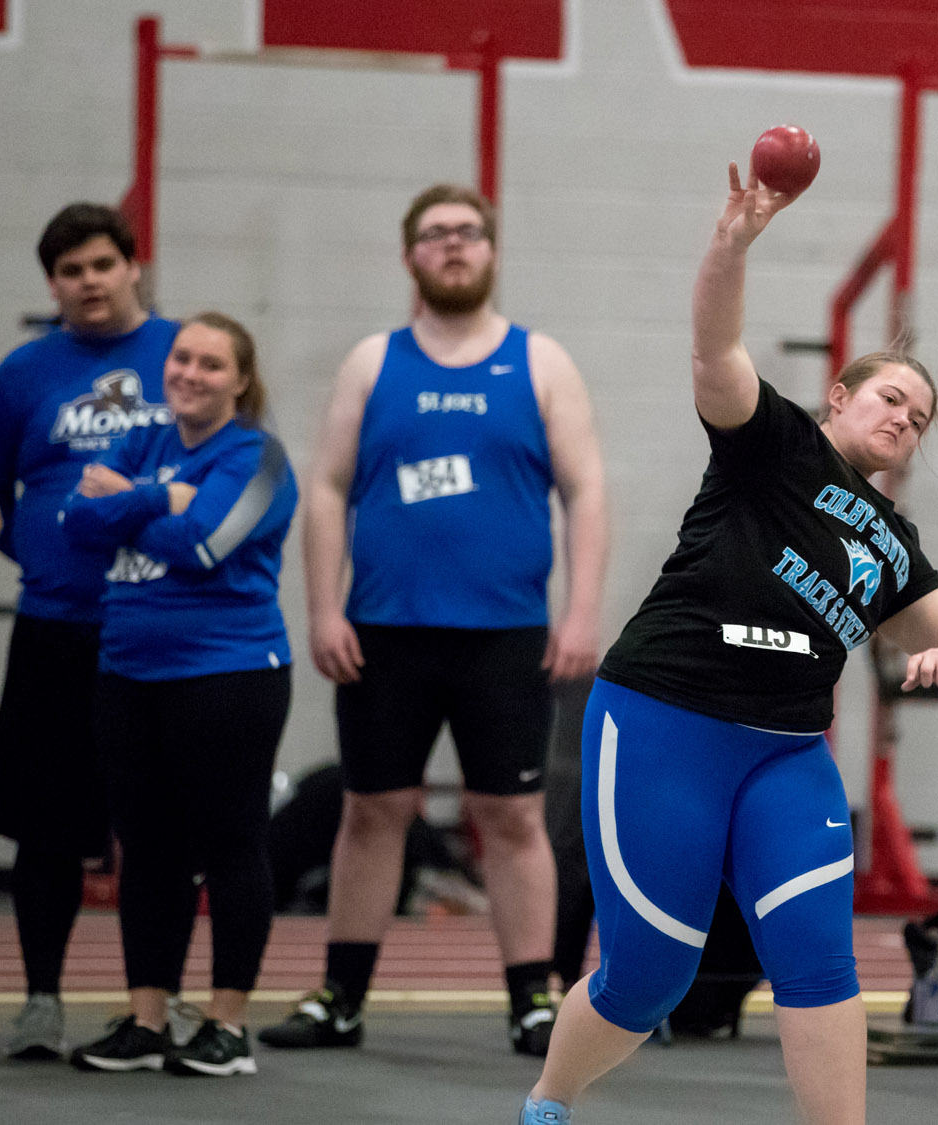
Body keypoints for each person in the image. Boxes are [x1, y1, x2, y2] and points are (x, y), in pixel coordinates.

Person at [519, 162, 938, 1125]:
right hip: (666, 722)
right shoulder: (773, 443)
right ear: (838, 398)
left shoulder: (889, 545)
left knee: (822, 962)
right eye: (890, 397)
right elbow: (715, 350)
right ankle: (548, 1102)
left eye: (920, 418)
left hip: (786, 752)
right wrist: (732, 243)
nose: (904, 418)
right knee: (649, 981)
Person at [259, 183, 608, 1058]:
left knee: (514, 813)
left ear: (490, 251)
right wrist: (324, 606)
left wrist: (582, 612)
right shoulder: (374, 362)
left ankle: (534, 999)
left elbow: (587, 490)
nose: (452, 246)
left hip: (505, 633)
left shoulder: (541, 363)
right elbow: (328, 488)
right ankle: (341, 996)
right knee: (373, 809)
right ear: (410, 255)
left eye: (467, 233)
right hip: (385, 630)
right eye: (434, 235)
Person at [0, 202, 177, 1060]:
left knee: (158, 830)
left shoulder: (181, 355)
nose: (87, 283)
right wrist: (50, 559)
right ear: (52, 284)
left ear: (131, 265)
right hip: (56, 627)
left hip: (160, 630)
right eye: (68, 272)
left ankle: (153, 1009)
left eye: (100, 264)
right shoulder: (22, 374)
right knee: (46, 828)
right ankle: (42, 998)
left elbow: (231, 464)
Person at [60, 313, 296, 1078]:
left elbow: (206, 544)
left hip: (227, 673)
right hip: (128, 670)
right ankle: (147, 1017)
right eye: (182, 358)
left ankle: (226, 1026)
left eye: (211, 363)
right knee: (148, 848)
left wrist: (130, 498)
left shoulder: (257, 455)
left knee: (231, 844)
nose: (191, 373)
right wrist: (162, 496)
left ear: (240, 379)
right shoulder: (144, 438)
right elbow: (73, 523)